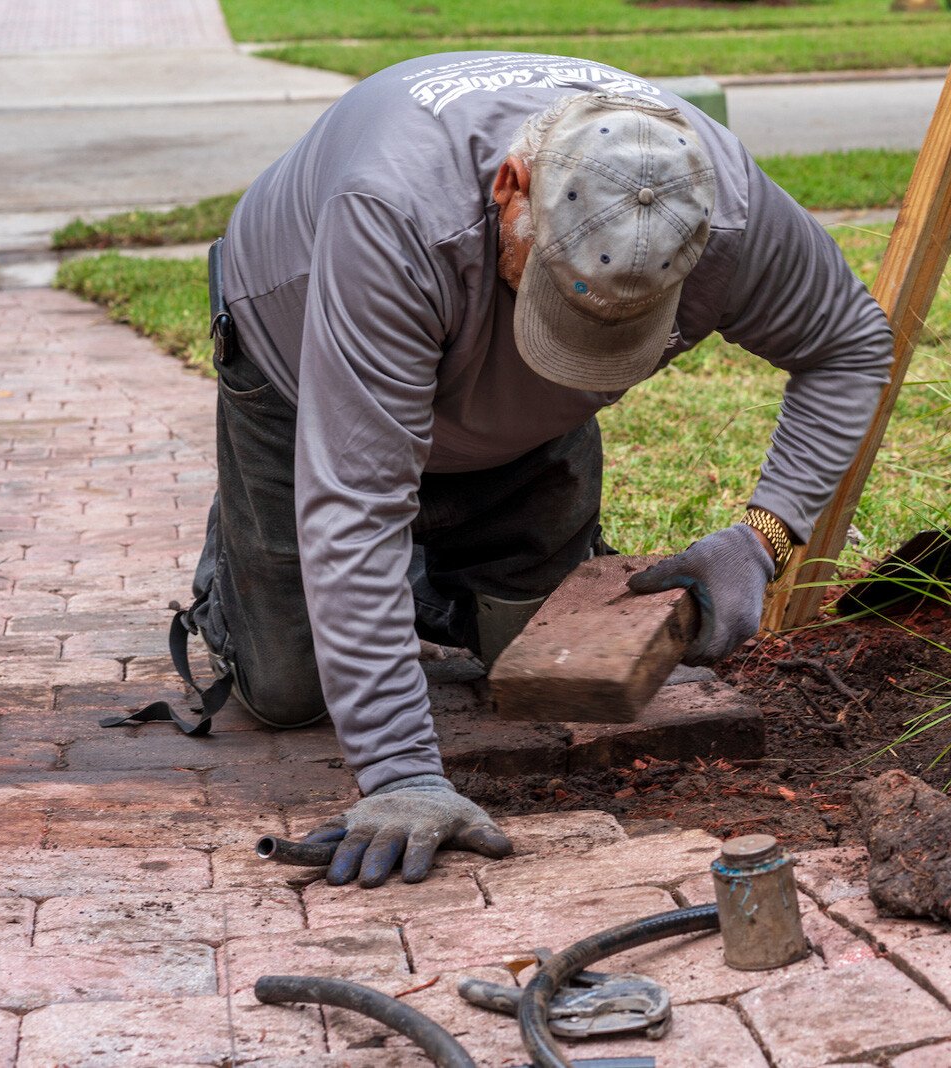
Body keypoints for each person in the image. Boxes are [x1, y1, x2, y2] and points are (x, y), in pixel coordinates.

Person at [164, 53, 892, 888]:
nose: (586, 352)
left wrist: (762, 536)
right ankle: (254, 554)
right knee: (292, 693)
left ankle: (432, 575)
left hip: (512, 416)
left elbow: (849, 346)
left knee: (541, 670)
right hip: (301, 369)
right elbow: (357, 509)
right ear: (512, 185)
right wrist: (401, 772)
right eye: (566, 309)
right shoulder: (394, 214)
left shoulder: (716, 203)